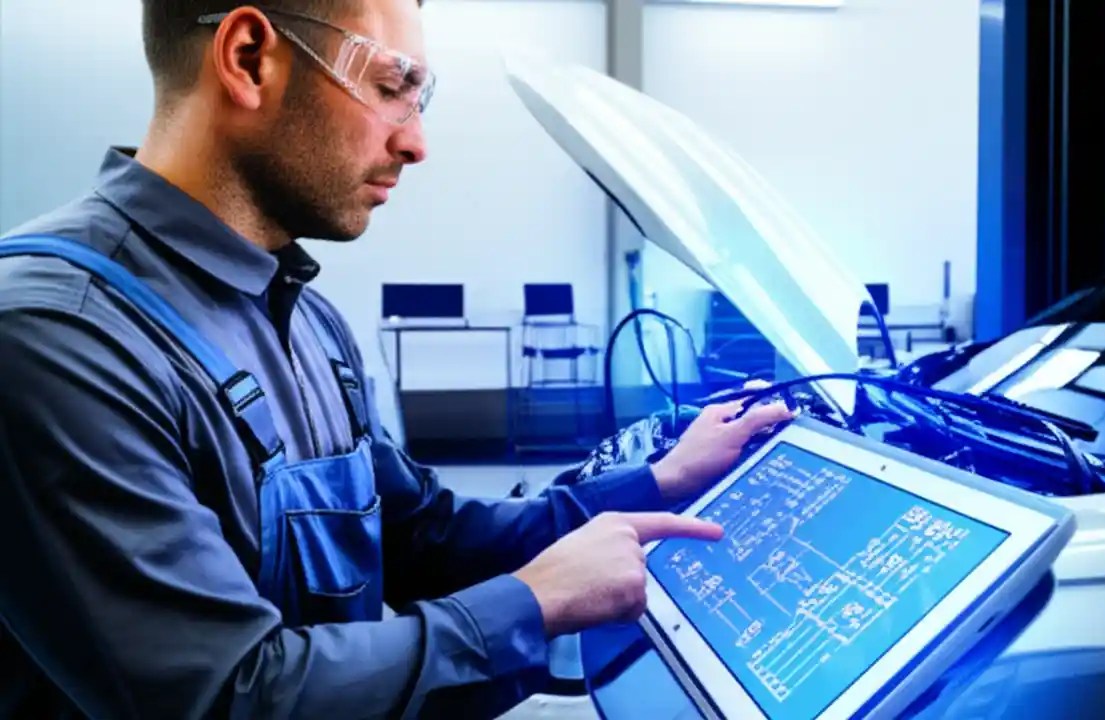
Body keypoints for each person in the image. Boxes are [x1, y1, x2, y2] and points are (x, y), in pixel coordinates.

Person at [0, 1, 793, 718]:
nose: (415, 141)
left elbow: (426, 540)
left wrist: (661, 481)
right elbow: (226, 696)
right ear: (248, 58)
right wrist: (530, 607)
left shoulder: (305, 322)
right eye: (391, 87)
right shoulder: (54, 339)